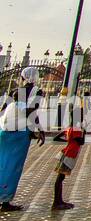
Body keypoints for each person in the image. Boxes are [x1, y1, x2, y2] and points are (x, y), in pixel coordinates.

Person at [0, 67, 45, 211]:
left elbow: (2, 110)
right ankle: (5, 201)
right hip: (20, 134)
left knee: (2, 163)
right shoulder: (36, 92)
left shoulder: (15, 91)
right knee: (14, 166)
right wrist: (40, 129)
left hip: (5, 131)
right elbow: (32, 113)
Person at [51, 112, 87, 210]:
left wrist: (69, 141)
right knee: (60, 178)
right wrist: (84, 132)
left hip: (66, 152)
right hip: (69, 154)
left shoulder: (70, 128)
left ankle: (59, 201)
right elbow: (81, 142)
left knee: (60, 178)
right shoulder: (77, 129)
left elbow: (56, 138)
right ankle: (56, 202)